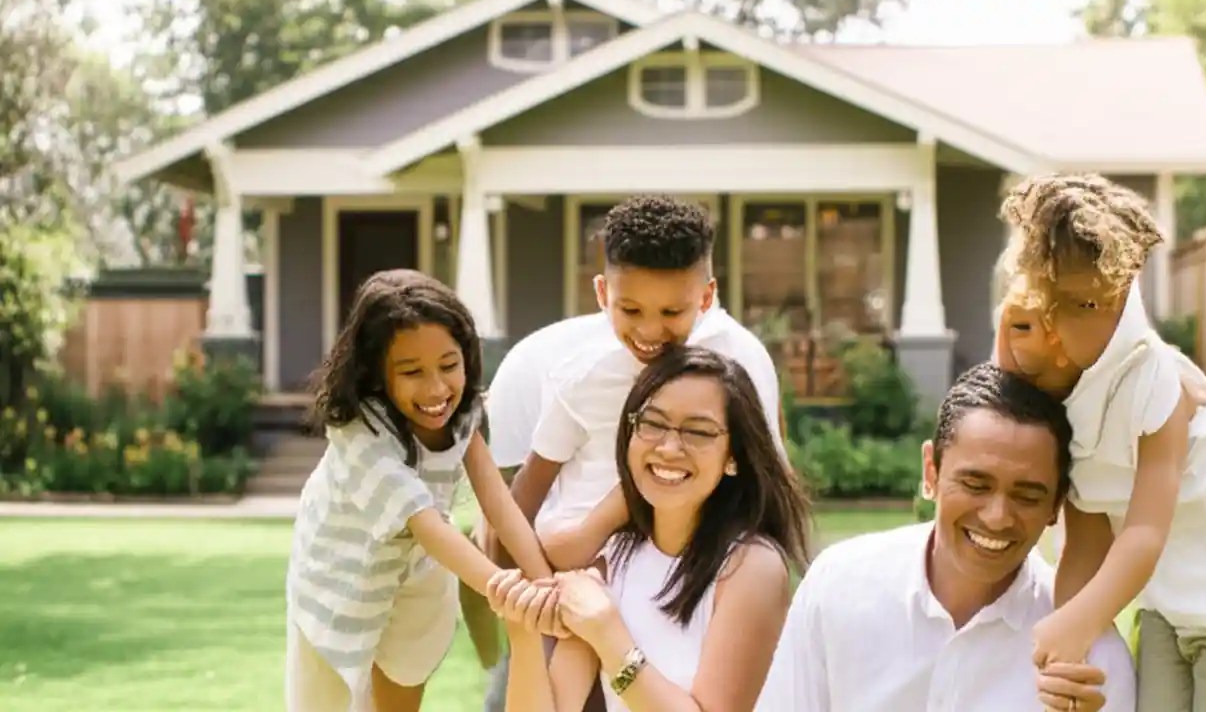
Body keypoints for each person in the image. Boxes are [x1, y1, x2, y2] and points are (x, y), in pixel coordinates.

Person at [993, 174, 1206, 710]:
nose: (1053, 329)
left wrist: (1079, 622)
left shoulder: (1155, 381)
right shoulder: (1067, 400)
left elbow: (1145, 532)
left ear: (1121, 300)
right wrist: (1070, 652)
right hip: (1170, 609)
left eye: (1081, 306)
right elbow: (1086, 542)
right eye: (1041, 308)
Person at [758, 362, 1137, 712]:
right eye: (975, 484)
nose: (997, 517)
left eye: (1026, 496)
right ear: (931, 472)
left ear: (1056, 504)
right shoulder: (838, 586)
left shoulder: (1092, 659)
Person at [285, 269, 559, 712]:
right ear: (376, 373)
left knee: (400, 692)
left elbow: (498, 503)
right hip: (342, 578)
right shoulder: (360, 436)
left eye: (449, 366)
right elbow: (426, 523)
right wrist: (508, 592)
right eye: (412, 372)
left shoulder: (462, 411)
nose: (436, 389)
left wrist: (544, 584)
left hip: (418, 572)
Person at [487, 346, 811, 711]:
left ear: (733, 456)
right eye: (653, 423)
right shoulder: (615, 558)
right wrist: (524, 634)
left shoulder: (751, 568)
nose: (669, 447)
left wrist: (609, 636)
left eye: (699, 432)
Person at [509, 194, 785, 566]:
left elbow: (770, 488)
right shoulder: (584, 377)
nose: (650, 330)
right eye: (630, 309)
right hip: (581, 573)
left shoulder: (736, 365)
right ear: (603, 294)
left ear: (706, 297)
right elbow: (521, 504)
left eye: (672, 311)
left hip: (694, 571)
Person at [474, 310, 612, 712]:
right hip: (554, 597)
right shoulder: (541, 362)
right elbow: (498, 525)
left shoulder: (717, 356)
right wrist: (545, 597)